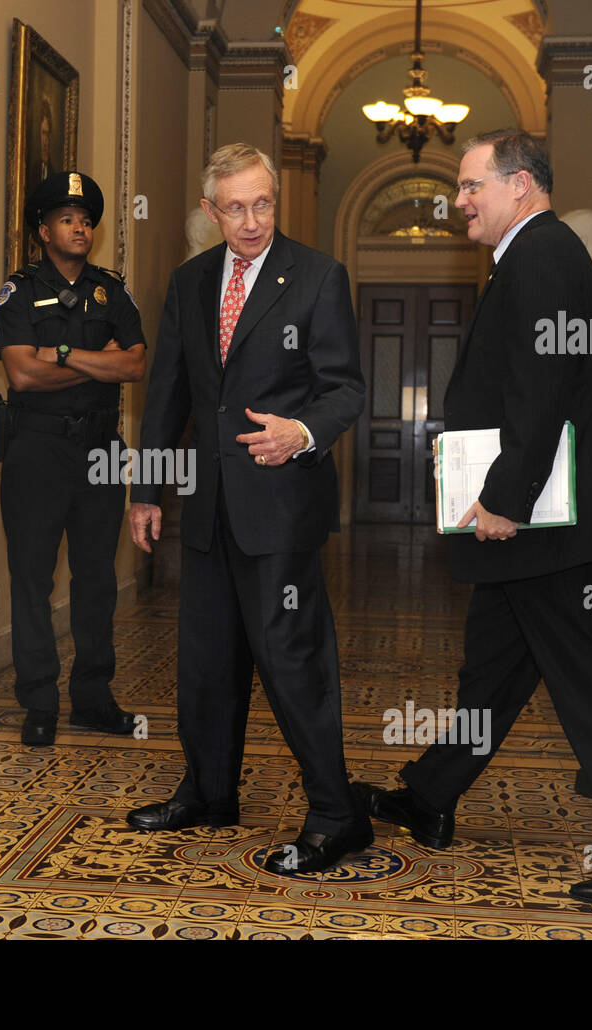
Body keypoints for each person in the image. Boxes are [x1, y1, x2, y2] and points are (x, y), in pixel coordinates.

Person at [360, 129, 592, 907]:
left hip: (543, 529)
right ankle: (431, 794)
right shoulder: (532, 254)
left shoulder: (543, 254)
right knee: (491, 672)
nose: (459, 201)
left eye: (471, 184)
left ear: (521, 185)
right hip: (539, 530)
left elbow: (541, 391)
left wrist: (504, 503)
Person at [126, 143, 371, 874]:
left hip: (281, 508)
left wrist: (301, 432)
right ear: (212, 211)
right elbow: (168, 395)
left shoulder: (319, 277)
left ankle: (334, 811)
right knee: (206, 662)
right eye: (235, 206)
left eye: (263, 202)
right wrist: (146, 491)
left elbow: (346, 388)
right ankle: (207, 793)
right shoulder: (191, 283)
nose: (252, 219)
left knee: (293, 662)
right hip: (205, 507)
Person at [0, 171, 146, 746]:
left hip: (102, 449)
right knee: (32, 577)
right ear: (43, 229)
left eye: (85, 219)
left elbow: (133, 365)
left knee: (97, 578)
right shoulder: (20, 290)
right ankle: (39, 702)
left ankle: (93, 698)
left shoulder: (113, 290)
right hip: (37, 448)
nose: (79, 227)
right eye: (66, 219)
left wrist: (57, 351)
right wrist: (89, 357)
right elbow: (22, 374)